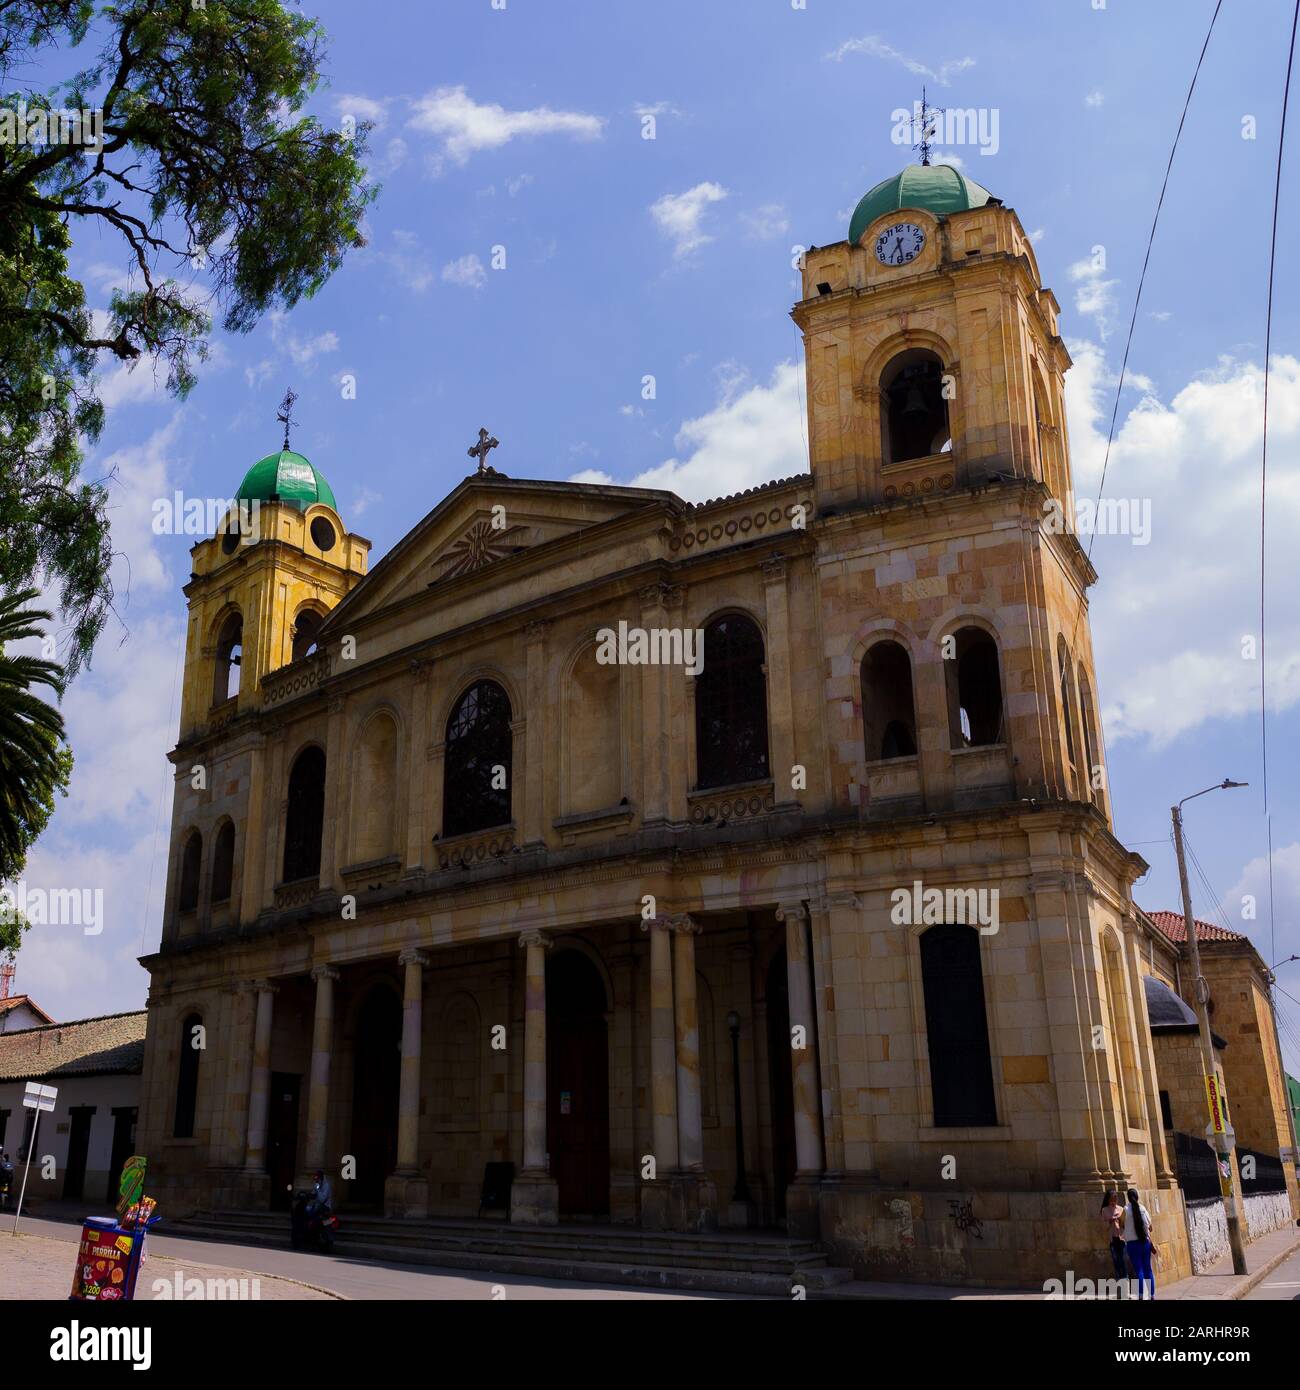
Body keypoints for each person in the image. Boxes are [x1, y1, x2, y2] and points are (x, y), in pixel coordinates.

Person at [1123, 1187, 1157, 1299]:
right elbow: (1150, 1227)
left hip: (1132, 1244)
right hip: (1145, 1243)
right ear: (1137, 1197)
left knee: (1139, 1270)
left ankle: (1141, 1295)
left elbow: (1122, 1223)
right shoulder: (1143, 1209)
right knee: (1148, 1269)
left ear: (1128, 1198)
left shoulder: (1126, 1209)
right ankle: (1152, 1295)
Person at [1100, 1189, 1128, 1286]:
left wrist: (1120, 1221)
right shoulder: (1104, 1210)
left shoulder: (1120, 1209)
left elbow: (1125, 1224)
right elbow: (1103, 1227)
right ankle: (1119, 1282)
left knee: (1122, 1260)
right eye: (1111, 1200)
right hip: (1112, 1239)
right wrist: (1110, 1221)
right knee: (1116, 1261)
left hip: (1121, 1238)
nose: (1113, 1202)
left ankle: (1125, 1282)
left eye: (1115, 1200)